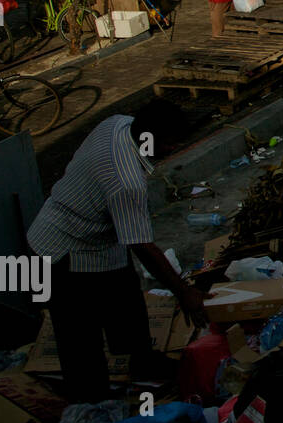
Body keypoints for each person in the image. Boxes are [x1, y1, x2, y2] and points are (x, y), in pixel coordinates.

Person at [26, 101, 212, 404]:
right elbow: (142, 247)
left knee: (126, 297)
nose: (172, 148)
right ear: (148, 138)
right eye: (168, 142)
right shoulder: (126, 182)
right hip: (60, 250)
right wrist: (184, 290)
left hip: (98, 241)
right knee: (79, 337)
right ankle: (91, 407)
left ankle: (142, 360)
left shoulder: (118, 124)